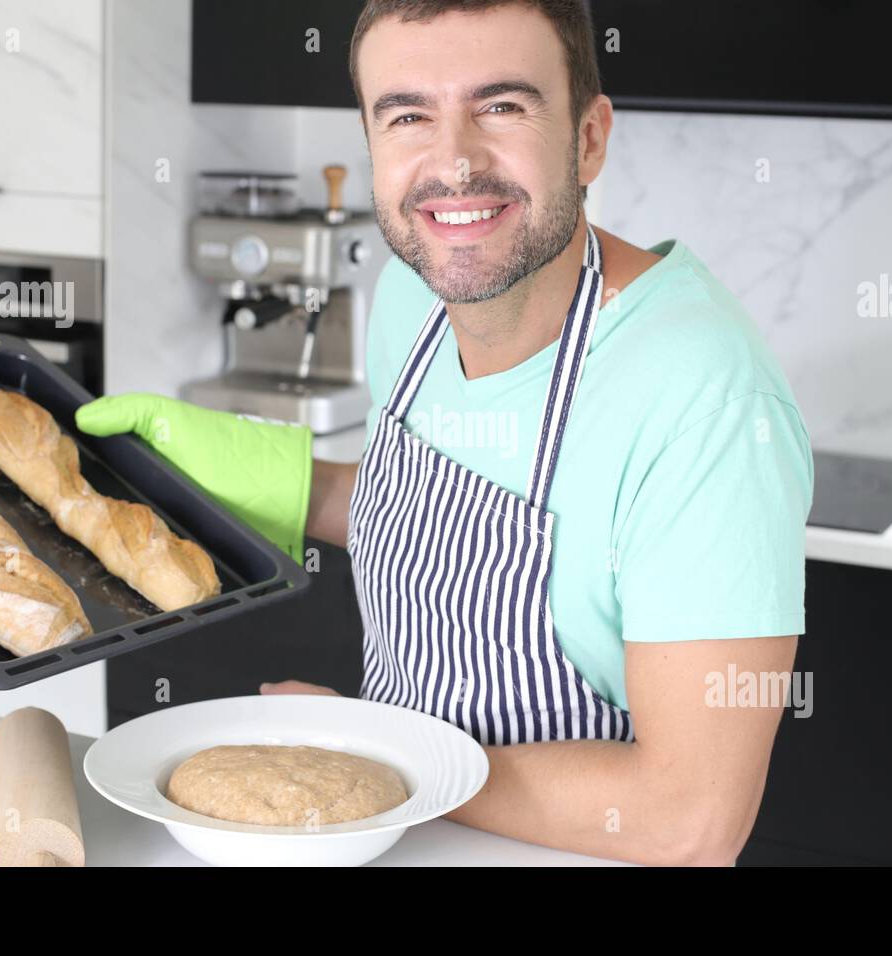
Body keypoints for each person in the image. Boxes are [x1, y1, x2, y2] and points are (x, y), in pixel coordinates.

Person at [76, 0, 813, 866]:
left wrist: (377, 754)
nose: (453, 163)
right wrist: (265, 479)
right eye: (407, 116)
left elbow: (688, 817)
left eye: (502, 107)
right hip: (393, 844)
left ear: (588, 138)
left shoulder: (705, 399)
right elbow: (431, 514)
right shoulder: (415, 294)